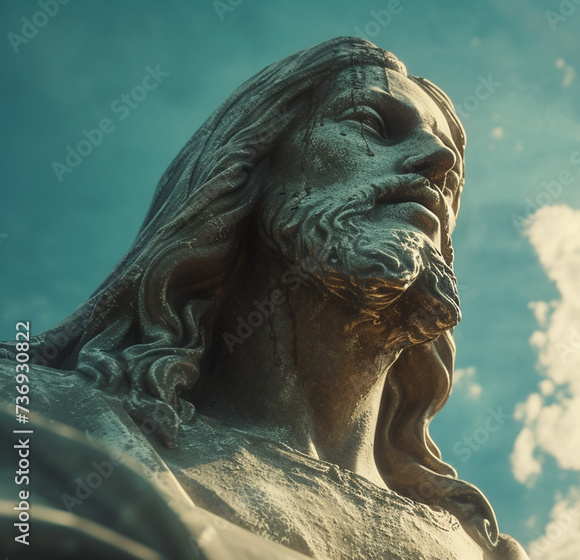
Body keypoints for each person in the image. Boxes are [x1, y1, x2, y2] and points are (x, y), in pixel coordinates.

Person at [0, 37, 528, 560]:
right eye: (373, 124)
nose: (437, 161)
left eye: (454, 175)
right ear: (248, 167)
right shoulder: (41, 420)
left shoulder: (484, 551)